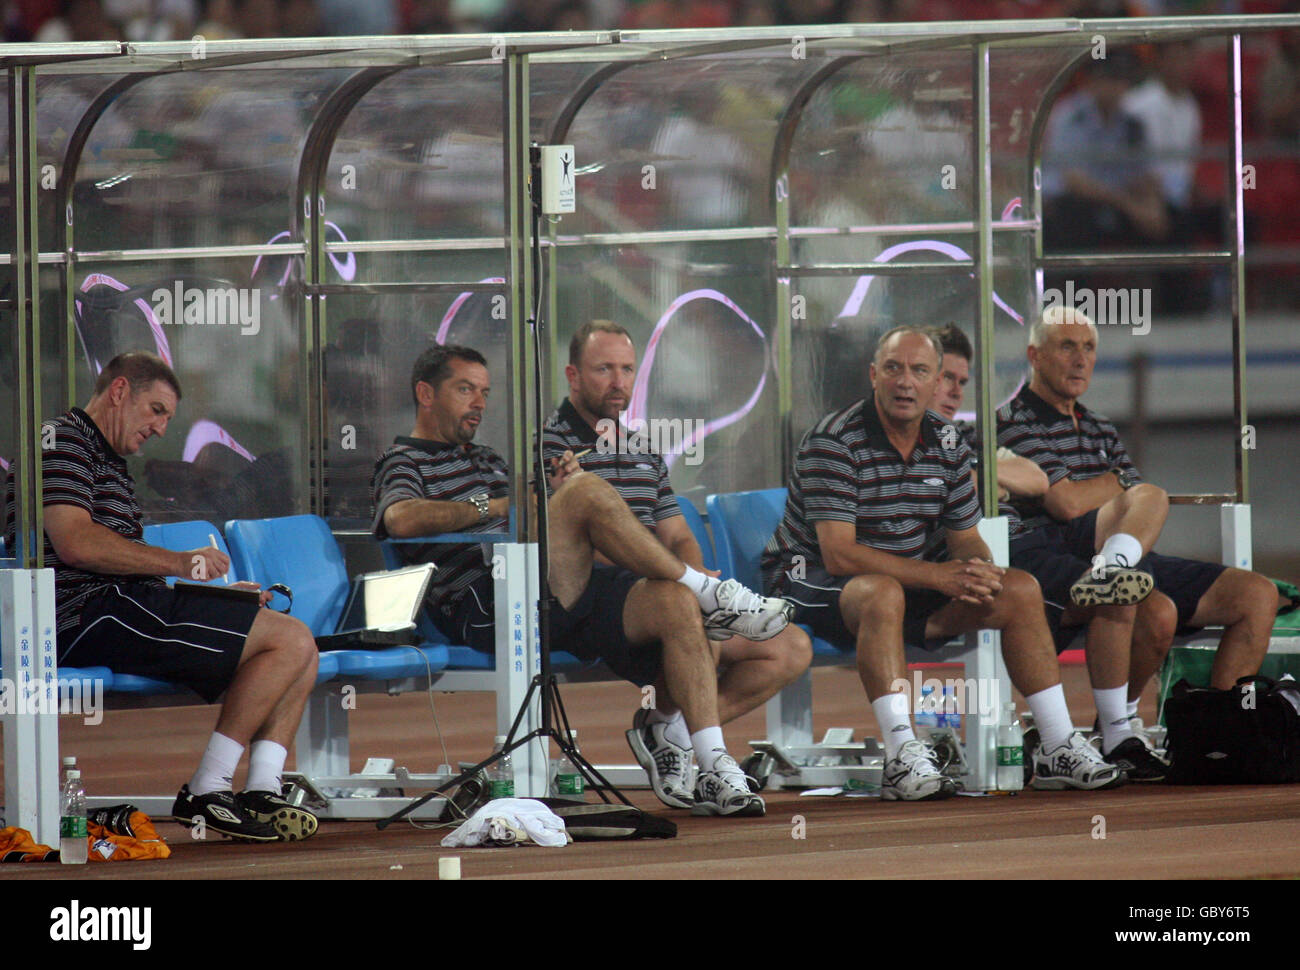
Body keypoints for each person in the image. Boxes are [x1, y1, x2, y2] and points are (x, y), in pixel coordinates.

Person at [372, 344, 795, 817]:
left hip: (549, 591)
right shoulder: (402, 459)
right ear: (425, 394)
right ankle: (711, 593)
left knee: (676, 602)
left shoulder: (491, 460)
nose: (479, 403)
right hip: (486, 606)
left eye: (485, 393)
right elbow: (400, 519)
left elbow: (531, 518)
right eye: (465, 390)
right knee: (588, 490)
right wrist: (498, 507)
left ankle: (713, 764)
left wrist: (548, 496)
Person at [760, 326, 1125, 799]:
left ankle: (1056, 743)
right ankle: (902, 754)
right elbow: (839, 553)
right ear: (874, 375)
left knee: (1018, 589)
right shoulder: (833, 441)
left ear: (936, 385)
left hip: (898, 579)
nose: (904, 382)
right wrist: (938, 576)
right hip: (808, 576)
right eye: (893, 368)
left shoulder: (948, 442)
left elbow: (966, 537)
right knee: (883, 593)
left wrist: (978, 569)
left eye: (919, 371)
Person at [2, 352, 319, 842]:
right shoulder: (61, 440)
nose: (161, 429)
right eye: (156, 410)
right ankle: (208, 788)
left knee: (300, 644)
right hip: (81, 616)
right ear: (120, 390)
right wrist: (180, 563)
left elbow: (124, 564)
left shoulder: (108, 459)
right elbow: (76, 544)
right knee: (288, 641)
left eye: (168, 419)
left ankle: (260, 790)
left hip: (118, 606)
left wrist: (209, 596)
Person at [541, 320, 812, 811]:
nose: (619, 381)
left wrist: (687, 571)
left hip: (656, 592)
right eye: (604, 369)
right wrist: (676, 578)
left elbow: (679, 534)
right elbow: (568, 546)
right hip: (587, 597)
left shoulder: (643, 449)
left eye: (627, 369)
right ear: (573, 376)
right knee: (675, 599)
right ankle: (712, 764)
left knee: (790, 647)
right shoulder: (549, 448)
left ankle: (671, 732)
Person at [997, 307, 1278, 740]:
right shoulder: (1011, 421)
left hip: (1119, 546)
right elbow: (1068, 503)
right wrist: (1114, 483)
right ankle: (1119, 724)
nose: (1080, 358)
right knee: (1156, 594)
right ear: (1035, 356)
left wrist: (1118, 490)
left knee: (1258, 594)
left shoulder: (1098, 426)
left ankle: (1217, 735)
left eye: (1089, 348)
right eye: (1067, 346)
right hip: (1058, 551)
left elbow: (1130, 493)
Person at [932, 322, 1168, 780]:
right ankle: (1066, 740)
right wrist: (1115, 479)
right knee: (1034, 590)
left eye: (960, 381)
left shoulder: (964, 439)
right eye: (941, 377)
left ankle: (1110, 734)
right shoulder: (991, 428)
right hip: (973, 569)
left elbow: (1035, 480)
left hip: (1007, 561)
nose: (953, 390)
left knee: (1169, 595)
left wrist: (985, 473)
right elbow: (1059, 496)